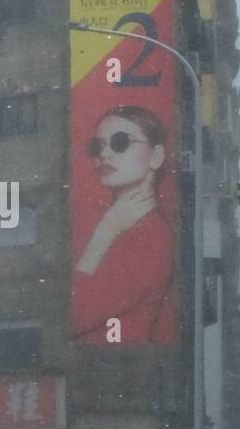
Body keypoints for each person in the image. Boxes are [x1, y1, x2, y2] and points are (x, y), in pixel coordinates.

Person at [72, 105, 175, 345]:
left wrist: (104, 232)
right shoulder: (108, 222)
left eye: (120, 142)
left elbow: (73, 315)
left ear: (156, 156)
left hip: (115, 368)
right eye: (97, 146)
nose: (104, 155)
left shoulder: (152, 238)